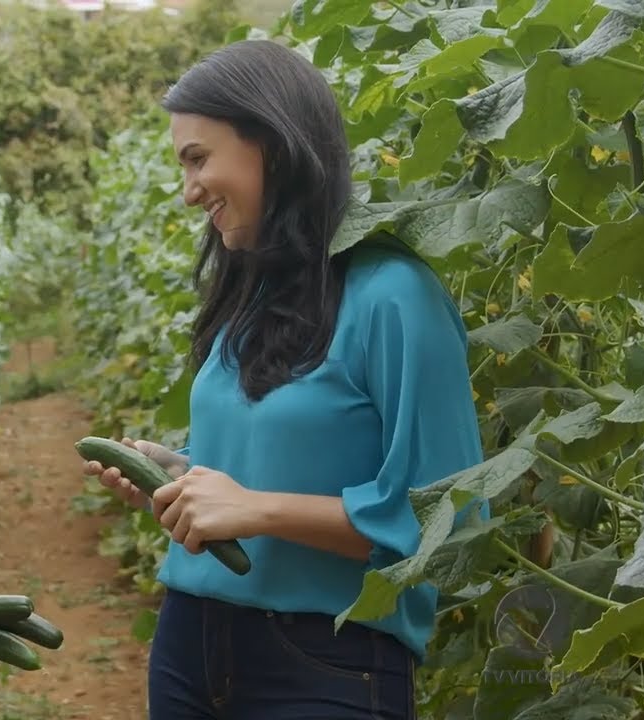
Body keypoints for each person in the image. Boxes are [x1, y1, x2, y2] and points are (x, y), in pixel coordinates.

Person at [81, 40, 484, 719]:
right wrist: (182, 476)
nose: (188, 192)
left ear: (269, 141)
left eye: (198, 159)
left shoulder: (395, 297)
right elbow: (269, 470)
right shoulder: (253, 294)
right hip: (189, 641)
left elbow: (456, 519)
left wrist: (258, 509)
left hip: (327, 661)